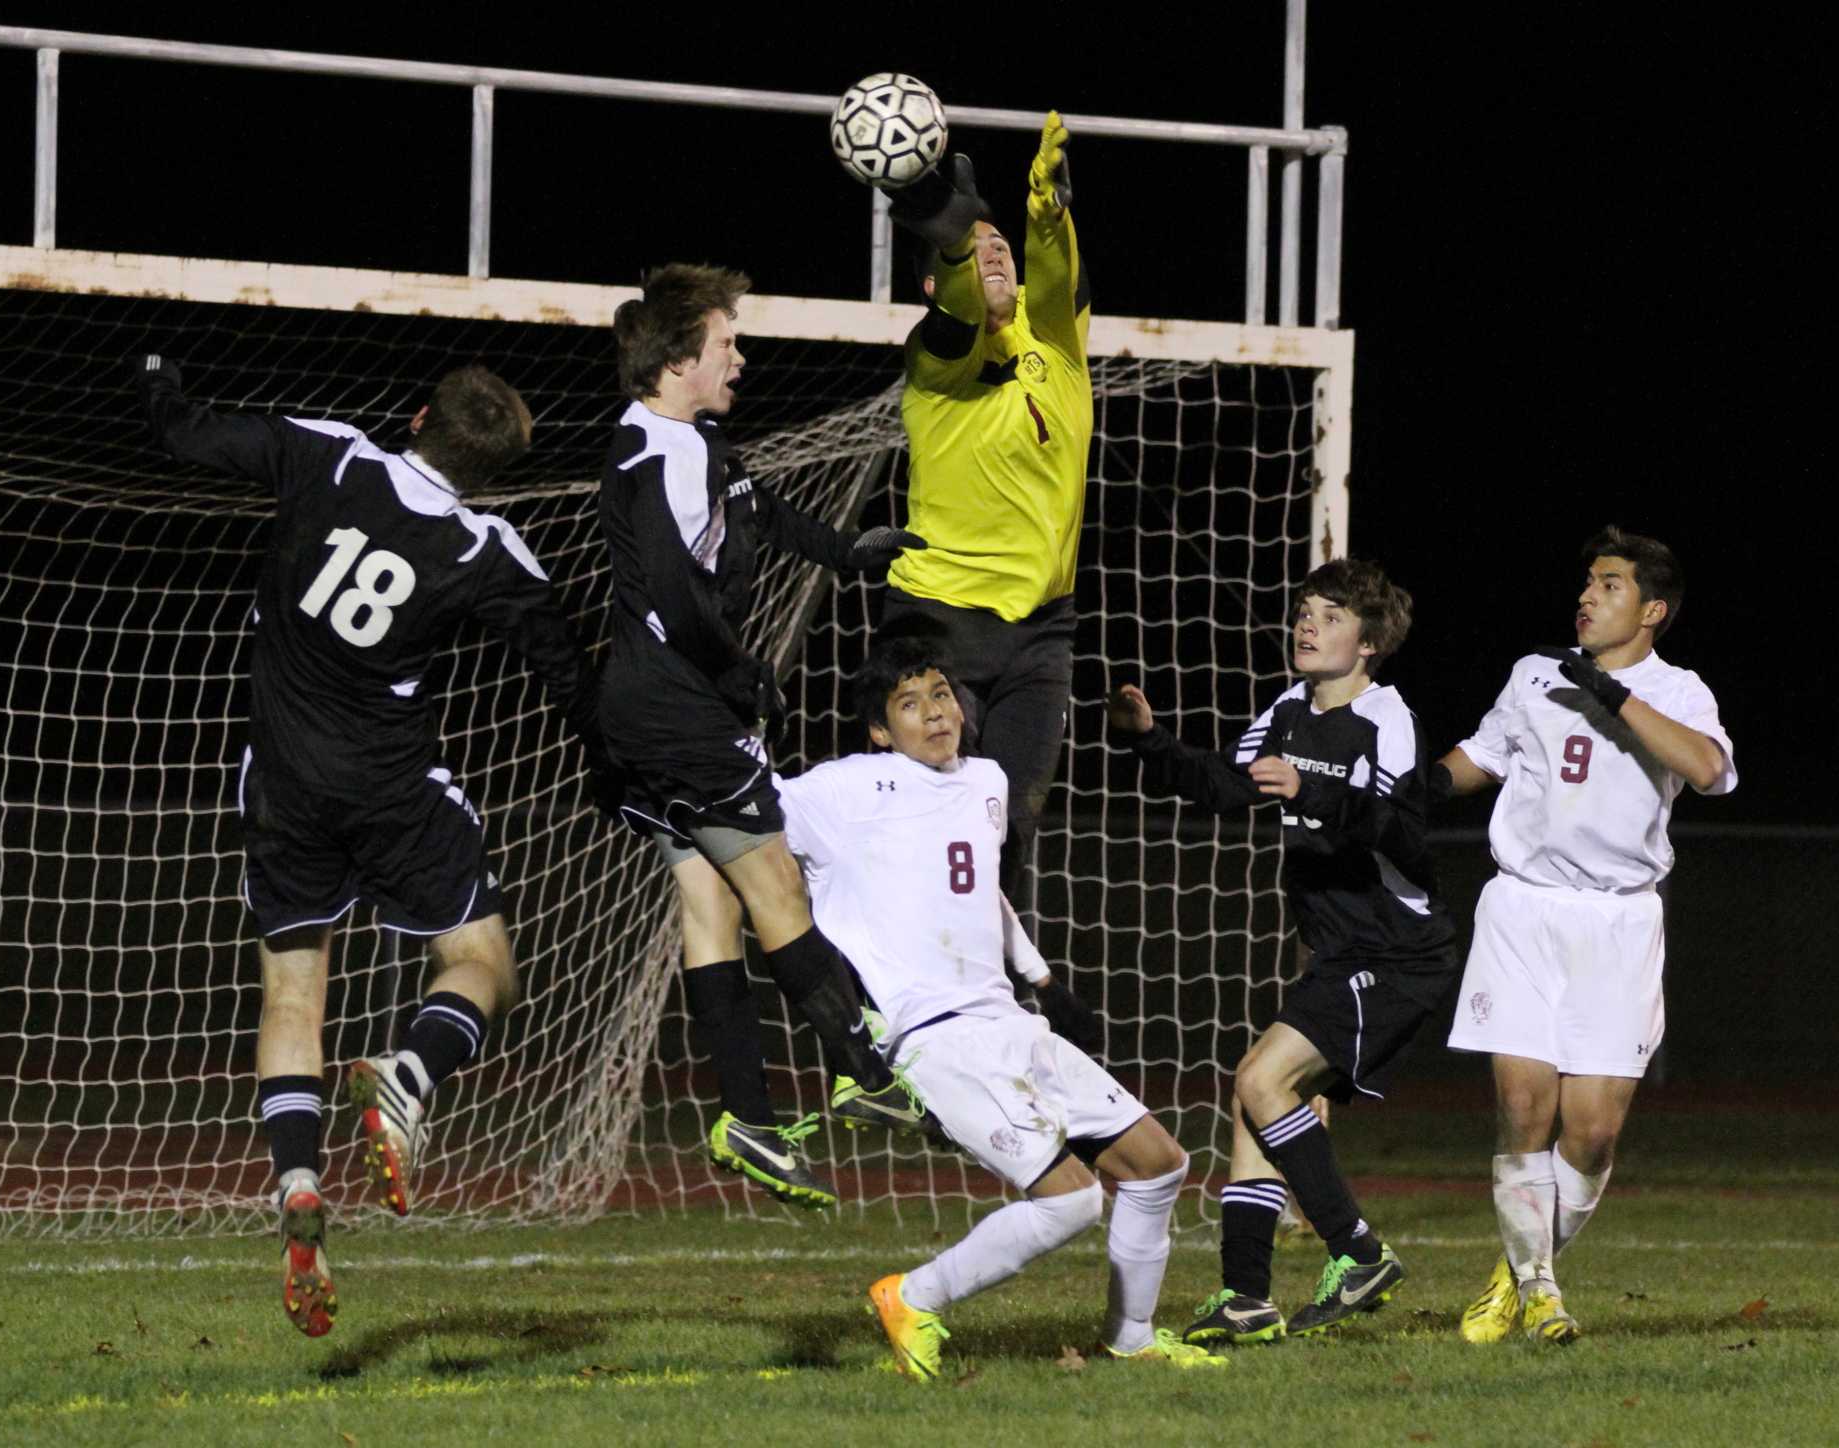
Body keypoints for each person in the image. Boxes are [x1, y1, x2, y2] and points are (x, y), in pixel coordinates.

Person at [133, 354, 613, 1338]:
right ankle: (412, 1070)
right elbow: (568, 675)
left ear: (419, 412)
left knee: (291, 995)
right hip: (392, 789)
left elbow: (190, 435)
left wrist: (158, 378)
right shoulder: (488, 547)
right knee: (480, 960)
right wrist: (622, 759)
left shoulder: (329, 458)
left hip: (285, 785)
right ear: (488, 467)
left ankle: (300, 1178)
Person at [765, 636, 1222, 1379]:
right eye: (909, 706)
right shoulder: (843, 789)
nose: (933, 714)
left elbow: (980, 892)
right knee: (1072, 1202)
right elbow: (745, 816)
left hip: (1009, 1022)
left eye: (940, 696)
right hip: (936, 1038)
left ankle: (1132, 1339)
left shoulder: (986, 782)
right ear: (880, 731)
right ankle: (912, 1295)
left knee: (1158, 1165)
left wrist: (1041, 982)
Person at [596, 263, 928, 1210]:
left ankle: (747, 1114)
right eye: (724, 342)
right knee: (778, 889)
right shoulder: (663, 454)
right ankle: (868, 1070)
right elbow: (669, 589)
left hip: (643, 711)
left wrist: (847, 552)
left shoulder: (687, 437)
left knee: (713, 906)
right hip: (679, 707)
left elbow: (756, 508)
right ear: (676, 360)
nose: (738, 355)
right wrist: (735, 672)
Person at [1107, 558, 1459, 1343]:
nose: (1307, 624)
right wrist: (1148, 742)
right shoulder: (1290, 708)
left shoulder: (1385, 717)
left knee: (1262, 1080)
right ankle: (1246, 1295)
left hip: (1398, 950)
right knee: (1257, 1100)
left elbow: (1407, 831)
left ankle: (1357, 1251)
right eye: (1305, 611)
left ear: (1368, 643)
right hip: (1341, 951)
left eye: (1330, 616)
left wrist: (1313, 794)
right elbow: (1225, 786)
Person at [1439, 526, 1735, 1345]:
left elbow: (1708, 771)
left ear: (1652, 610)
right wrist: (1422, 787)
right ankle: (1539, 1290)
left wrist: (1614, 699)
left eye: (1608, 586)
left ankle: (1516, 1270)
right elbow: (1482, 757)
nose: (1587, 596)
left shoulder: (1679, 691)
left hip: (1617, 921)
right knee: (1524, 1104)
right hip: (1524, 909)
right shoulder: (1535, 674)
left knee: (1594, 1131)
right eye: (1588, 583)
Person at [882, 111, 1090, 899]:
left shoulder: (1058, 346)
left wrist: (1048, 219)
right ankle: (888, 998)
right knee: (930, 820)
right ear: (938, 281)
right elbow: (962, 306)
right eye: (973, 247)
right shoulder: (937, 358)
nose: (992, 247)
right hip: (940, 622)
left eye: (999, 241)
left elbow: (1060, 270)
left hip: (1043, 631)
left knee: (1010, 824)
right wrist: (955, 234)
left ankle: (1009, 996)